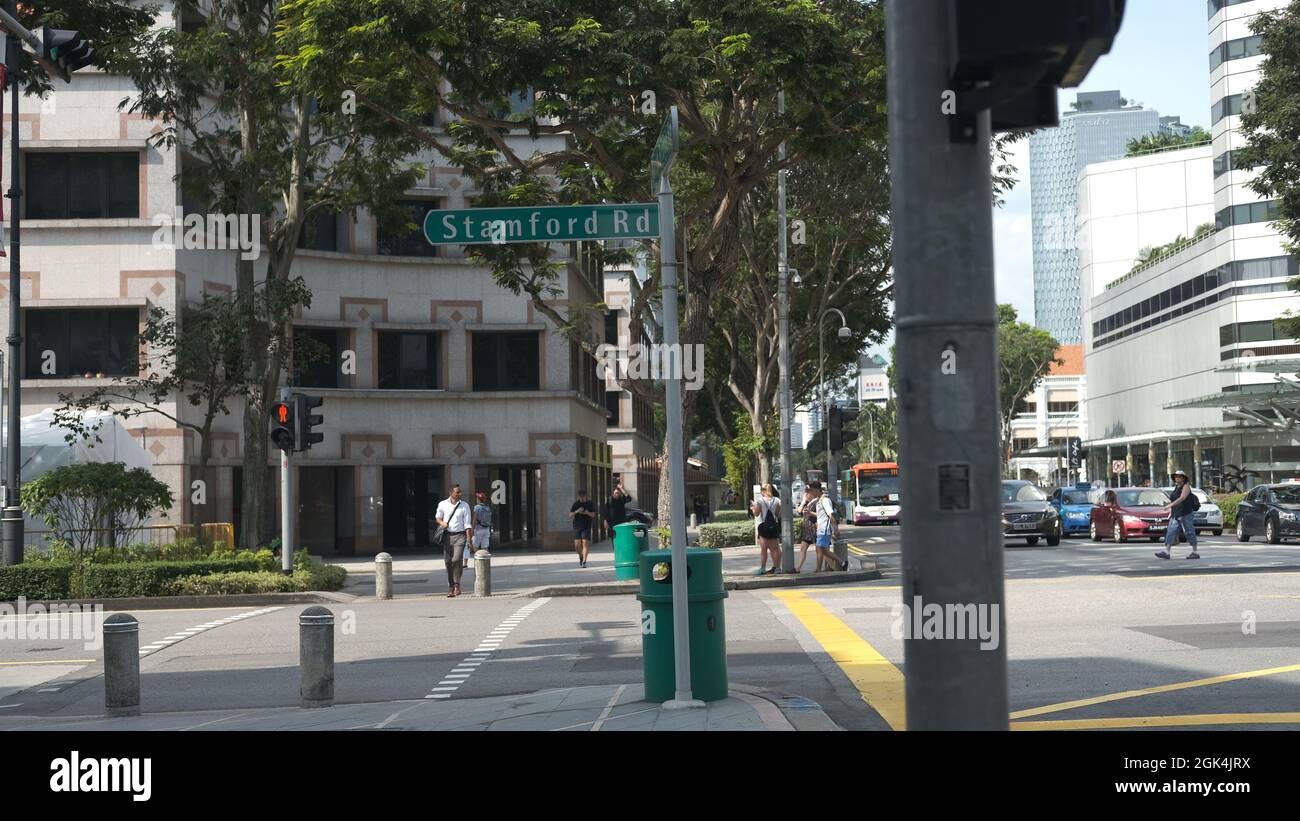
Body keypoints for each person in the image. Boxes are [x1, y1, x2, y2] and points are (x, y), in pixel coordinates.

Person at [435, 484, 473, 597]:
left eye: (460, 492)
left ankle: (456, 584)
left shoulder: (464, 505)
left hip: (460, 536)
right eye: (457, 492)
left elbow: (467, 524)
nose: (459, 494)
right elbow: (438, 517)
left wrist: (469, 540)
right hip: (447, 536)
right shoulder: (442, 504)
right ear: (451, 492)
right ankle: (451, 586)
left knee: (456, 559)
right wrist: (442, 523)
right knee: (448, 562)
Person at [1155, 470, 1199, 560]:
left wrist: (1169, 505)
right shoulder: (1176, 487)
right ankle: (1166, 551)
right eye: (1175, 476)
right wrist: (1171, 511)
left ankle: (1195, 552)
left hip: (1185, 513)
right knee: (1171, 531)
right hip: (1176, 513)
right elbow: (1174, 500)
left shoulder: (1186, 486)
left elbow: (1182, 498)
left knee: (1189, 532)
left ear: (1183, 478)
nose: (1177, 478)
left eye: (1179, 476)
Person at [810, 481, 848, 571]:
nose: (811, 493)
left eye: (812, 490)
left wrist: (836, 530)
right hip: (821, 529)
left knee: (819, 549)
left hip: (825, 529)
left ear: (817, 490)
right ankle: (842, 563)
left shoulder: (825, 500)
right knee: (824, 551)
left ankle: (818, 569)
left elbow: (831, 515)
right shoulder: (819, 501)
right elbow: (820, 515)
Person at [751, 483, 782, 575]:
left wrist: (752, 508)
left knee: (764, 549)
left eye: (761, 490)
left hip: (764, 526)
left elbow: (756, 514)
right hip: (774, 526)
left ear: (764, 491)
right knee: (775, 548)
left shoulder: (760, 501)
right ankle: (777, 568)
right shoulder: (777, 500)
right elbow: (777, 513)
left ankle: (762, 568)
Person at [569, 489, 597, 568]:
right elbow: (570, 515)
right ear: (578, 496)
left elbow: (593, 515)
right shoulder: (576, 504)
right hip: (577, 526)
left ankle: (584, 561)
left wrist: (587, 513)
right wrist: (577, 511)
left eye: (583, 496)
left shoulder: (589, 503)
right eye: (581, 496)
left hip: (586, 526)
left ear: (586, 496)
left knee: (585, 543)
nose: (582, 498)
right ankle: (581, 555)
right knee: (577, 546)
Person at [794, 488, 817, 573]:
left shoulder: (816, 502)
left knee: (822, 550)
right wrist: (803, 501)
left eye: (807, 494)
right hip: (807, 529)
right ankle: (798, 568)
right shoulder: (807, 503)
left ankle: (835, 564)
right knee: (803, 548)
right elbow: (799, 511)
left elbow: (821, 515)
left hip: (814, 528)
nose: (806, 496)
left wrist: (810, 513)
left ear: (811, 494)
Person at [472, 490, 492, 557]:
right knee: (485, 547)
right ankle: (485, 560)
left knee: (475, 546)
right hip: (486, 529)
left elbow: (474, 519)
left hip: (478, 529)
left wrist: (472, 530)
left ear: (478, 499)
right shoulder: (488, 507)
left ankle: (479, 560)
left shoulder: (477, 507)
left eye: (477, 498)